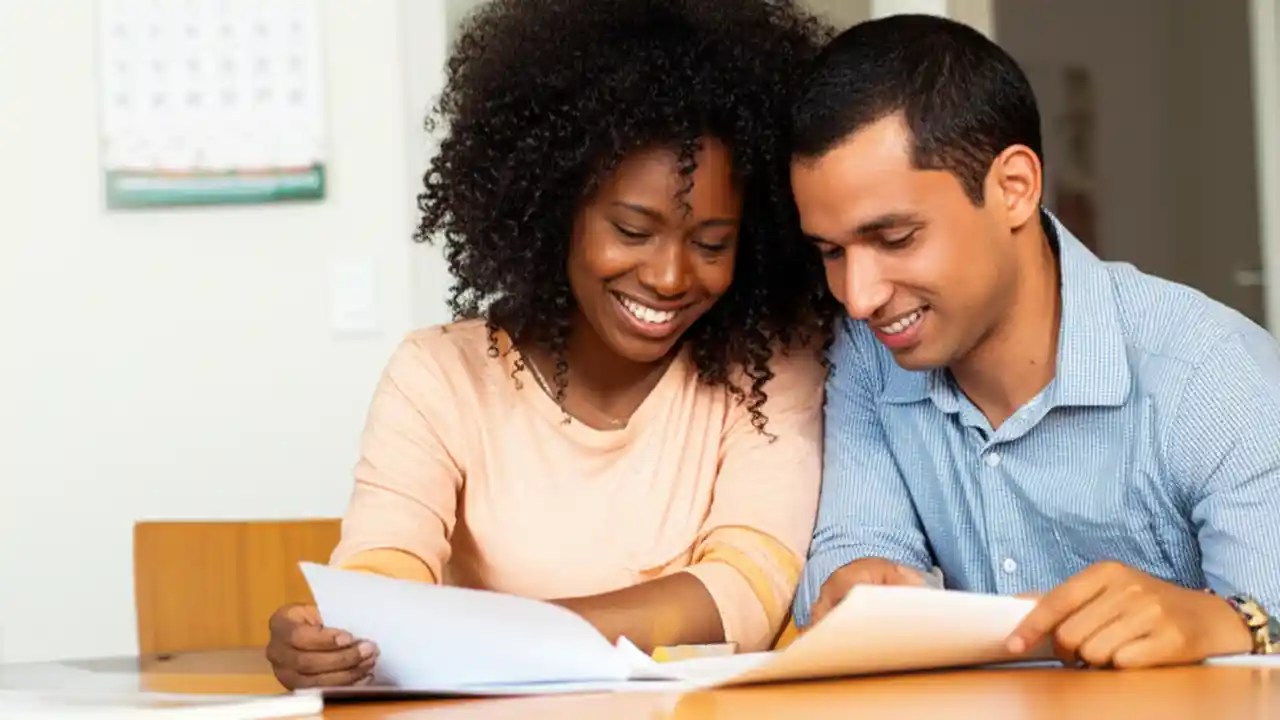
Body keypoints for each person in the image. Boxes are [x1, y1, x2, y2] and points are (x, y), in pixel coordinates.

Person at [265, 0, 837, 690]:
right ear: (554, 208)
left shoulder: (767, 372)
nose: (669, 276)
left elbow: (744, 594)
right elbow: (383, 574)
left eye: (711, 243)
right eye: (632, 231)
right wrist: (336, 638)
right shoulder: (439, 377)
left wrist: (485, 635)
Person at [791, 14, 1280, 669]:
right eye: (830, 251)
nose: (858, 295)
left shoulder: (1208, 374)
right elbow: (854, 549)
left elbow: (1270, 615)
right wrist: (856, 583)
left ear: (1014, 188)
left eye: (896, 239)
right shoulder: (868, 360)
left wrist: (1226, 622)